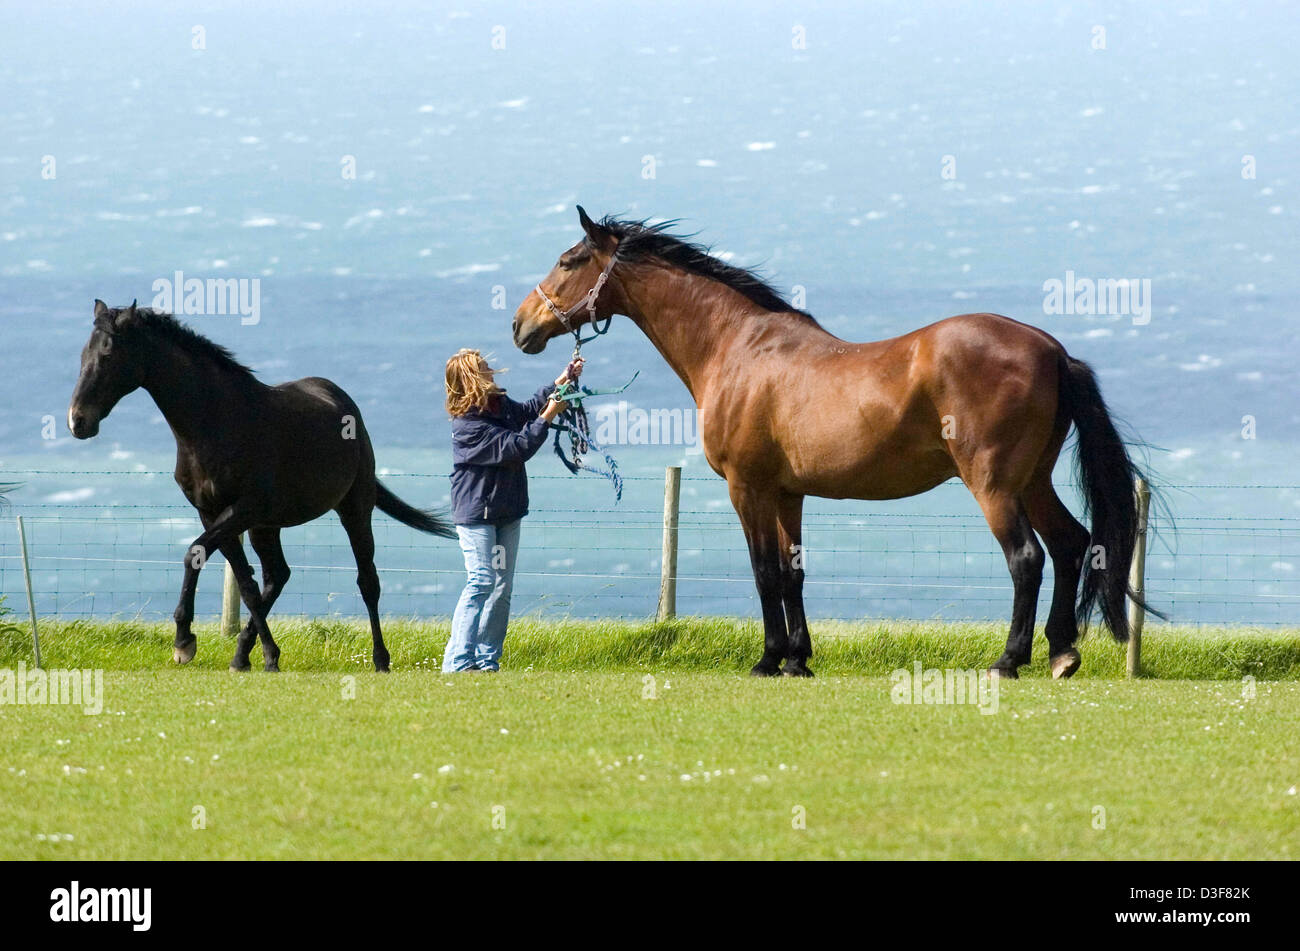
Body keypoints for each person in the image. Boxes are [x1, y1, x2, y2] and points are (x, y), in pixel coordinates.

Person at [441, 348, 580, 672]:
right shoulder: (468, 427)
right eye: (485, 369)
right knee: (480, 581)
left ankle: (487, 662)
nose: (492, 371)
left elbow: (527, 411)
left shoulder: (498, 406)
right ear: (472, 378)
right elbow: (517, 448)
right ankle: (458, 662)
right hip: (477, 514)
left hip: (506, 510)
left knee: (501, 588)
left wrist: (561, 380)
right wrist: (550, 414)